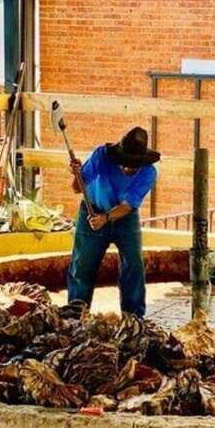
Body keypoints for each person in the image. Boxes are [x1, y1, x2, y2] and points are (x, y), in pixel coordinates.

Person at [67, 126, 160, 317]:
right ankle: (75, 315)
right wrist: (77, 173)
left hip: (125, 217)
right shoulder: (101, 156)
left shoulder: (149, 173)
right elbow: (77, 188)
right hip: (92, 211)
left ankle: (133, 317)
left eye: (134, 165)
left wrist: (106, 218)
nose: (128, 168)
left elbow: (128, 205)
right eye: (125, 163)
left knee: (134, 264)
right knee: (82, 265)